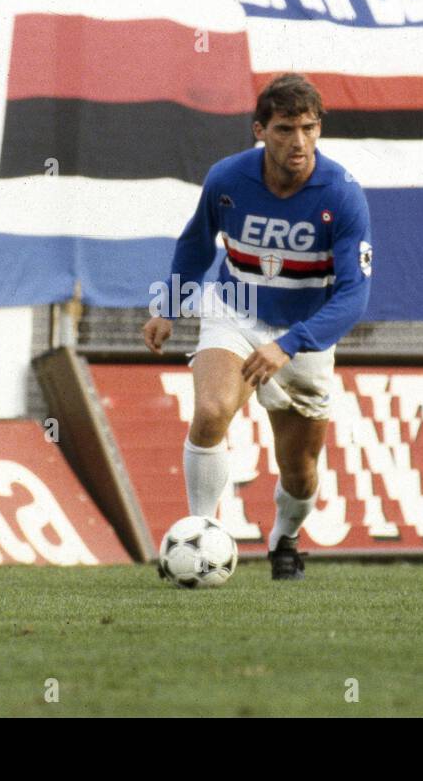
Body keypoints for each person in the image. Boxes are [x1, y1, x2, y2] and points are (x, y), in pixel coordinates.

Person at [142, 74, 372, 580]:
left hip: (304, 334)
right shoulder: (227, 180)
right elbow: (196, 245)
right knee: (211, 410)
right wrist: (170, 306)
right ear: (260, 131)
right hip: (235, 309)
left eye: (310, 128)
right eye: (286, 128)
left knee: (299, 469)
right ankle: (198, 536)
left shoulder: (342, 195)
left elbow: (355, 295)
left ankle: (285, 539)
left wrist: (289, 345)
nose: (300, 141)